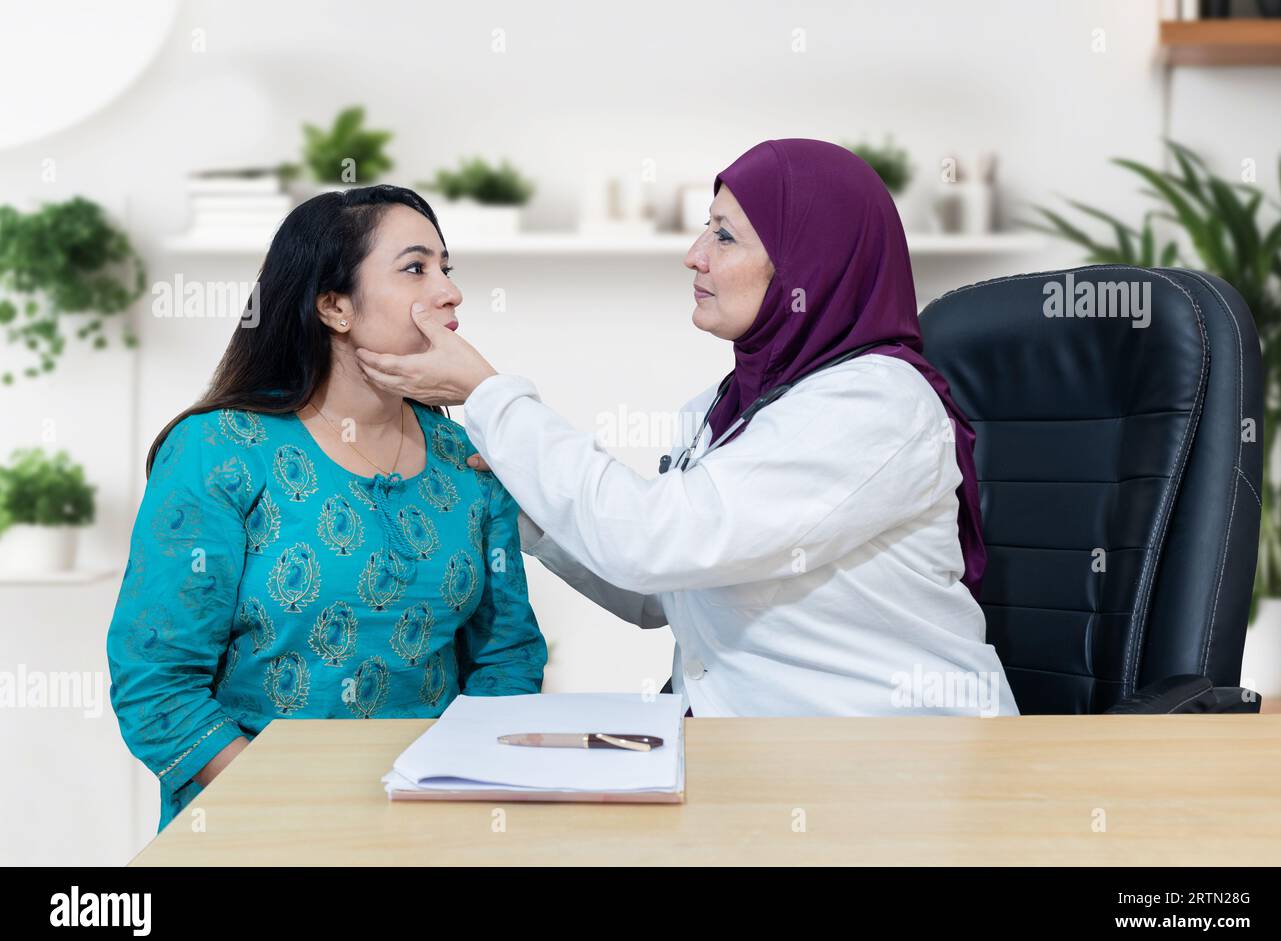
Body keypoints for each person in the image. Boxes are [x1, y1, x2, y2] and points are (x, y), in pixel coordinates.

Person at [354, 140, 1019, 720]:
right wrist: (523, 504)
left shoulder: (877, 406)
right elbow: (664, 593)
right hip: (755, 752)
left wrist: (488, 395)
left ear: (805, 265)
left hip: (888, 760)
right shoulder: (726, 410)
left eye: (725, 236)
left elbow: (654, 543)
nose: (695, 255)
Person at [106, 185, 547, 831]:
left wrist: (454, 796)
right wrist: (302, 813)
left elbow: (506, 657)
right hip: (257, 826)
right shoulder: (221, 449)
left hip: (430, 829)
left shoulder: (467, 456)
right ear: (334, 305)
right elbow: (157, 684)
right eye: (416, 267)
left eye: (447, 268)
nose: (450, 292)